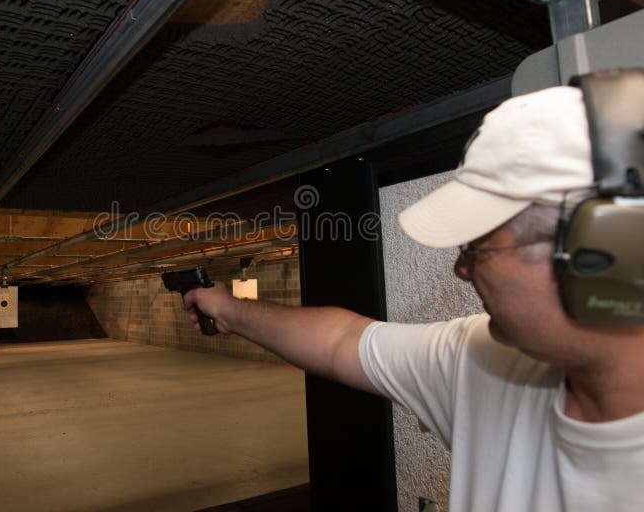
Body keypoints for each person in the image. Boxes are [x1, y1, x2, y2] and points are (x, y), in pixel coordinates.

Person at [182, 85, 644, 511]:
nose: (461, 269)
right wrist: (229, 309)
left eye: (477, 248)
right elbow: (342, 340)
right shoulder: (485, 357)